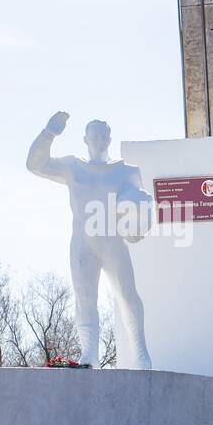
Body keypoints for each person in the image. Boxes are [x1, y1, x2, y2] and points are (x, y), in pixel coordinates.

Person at [26, 111, 152, 369]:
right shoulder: (74, 167)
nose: (98, 140)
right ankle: (89, 354)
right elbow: (35, 165)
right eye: (93, 136)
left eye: (102, 136)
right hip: (83, 244)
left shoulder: (126, 171)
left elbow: (138, 210)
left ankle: (140, 353)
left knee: (128, 296)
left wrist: (139, 217)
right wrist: (49, 133)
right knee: (85, 299)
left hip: (113, 244)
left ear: (109, 139)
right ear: (85, 139)